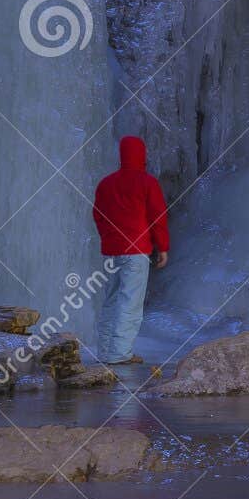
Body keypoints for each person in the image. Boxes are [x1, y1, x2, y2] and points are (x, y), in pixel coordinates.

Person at [91, 135, 169, 365]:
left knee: (112, 299)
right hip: (136, 250)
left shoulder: (106, 183)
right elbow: (158, 217)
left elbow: (98, 215)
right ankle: (120, 353)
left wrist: (108, 238)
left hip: (112, 251)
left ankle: (105, 350)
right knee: (130, 302)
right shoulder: (147, 182)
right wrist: (162, 247)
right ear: (142, 155)